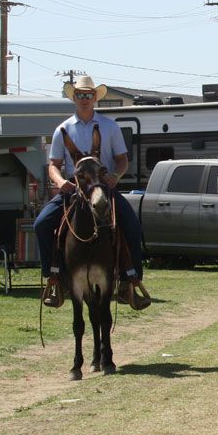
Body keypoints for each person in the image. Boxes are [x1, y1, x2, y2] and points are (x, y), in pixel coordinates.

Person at [34, 75, 150, 309]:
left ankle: (130, 280)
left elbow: (122, 160)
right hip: (74, 189)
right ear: (74, 98)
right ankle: (54, 277)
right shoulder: (63, 129)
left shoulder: (110, 126)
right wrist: (60, 181)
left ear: (95, 97)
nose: (84, 98)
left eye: (88, 95)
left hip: (103, 188)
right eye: (80, 95)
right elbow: (53, 165)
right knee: (42, 224)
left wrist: (115, 176)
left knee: (132, 225)